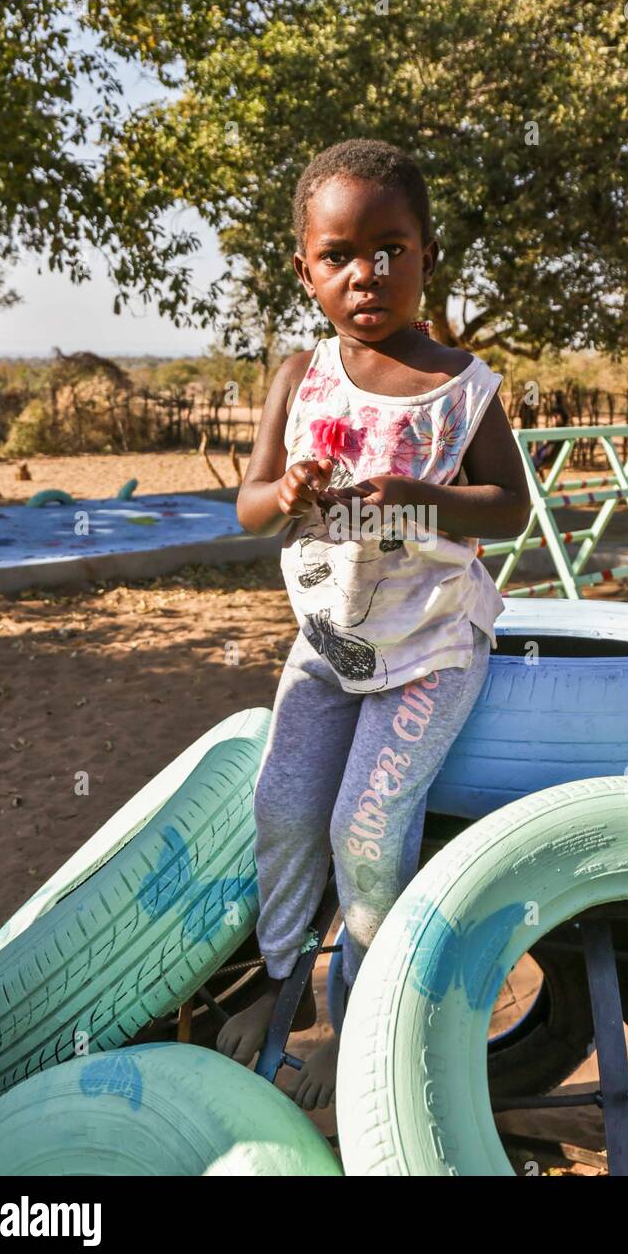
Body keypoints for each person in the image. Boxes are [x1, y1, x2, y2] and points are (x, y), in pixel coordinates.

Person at [216, 138, 530, 1109]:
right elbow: (249, 504)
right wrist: (288, 489)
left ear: (426, 254)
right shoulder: (297, 376)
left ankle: (361, 1021)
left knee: (365, 831)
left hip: (429, 645)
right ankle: (279, 986)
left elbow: (510, 510)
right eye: (339, 254)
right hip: (328, 642)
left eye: (390, 248)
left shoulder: (461, 386)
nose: (367, 274)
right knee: (279, 807)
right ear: (303, 267)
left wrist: (420, 497)